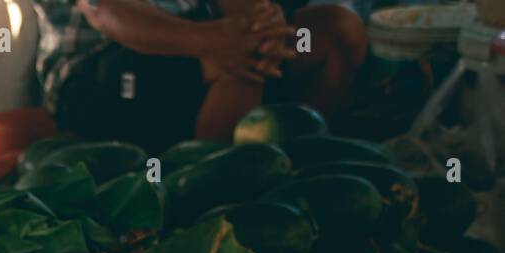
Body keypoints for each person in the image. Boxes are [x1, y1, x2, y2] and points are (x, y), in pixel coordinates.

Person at [34, 0, 370, 147]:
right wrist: (217, 42)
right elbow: (105, 10)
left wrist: (259, 27)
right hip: (100, 69)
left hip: (197, 47)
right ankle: (212, 212)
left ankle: (299, 159)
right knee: (243, 64)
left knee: (336, 32)